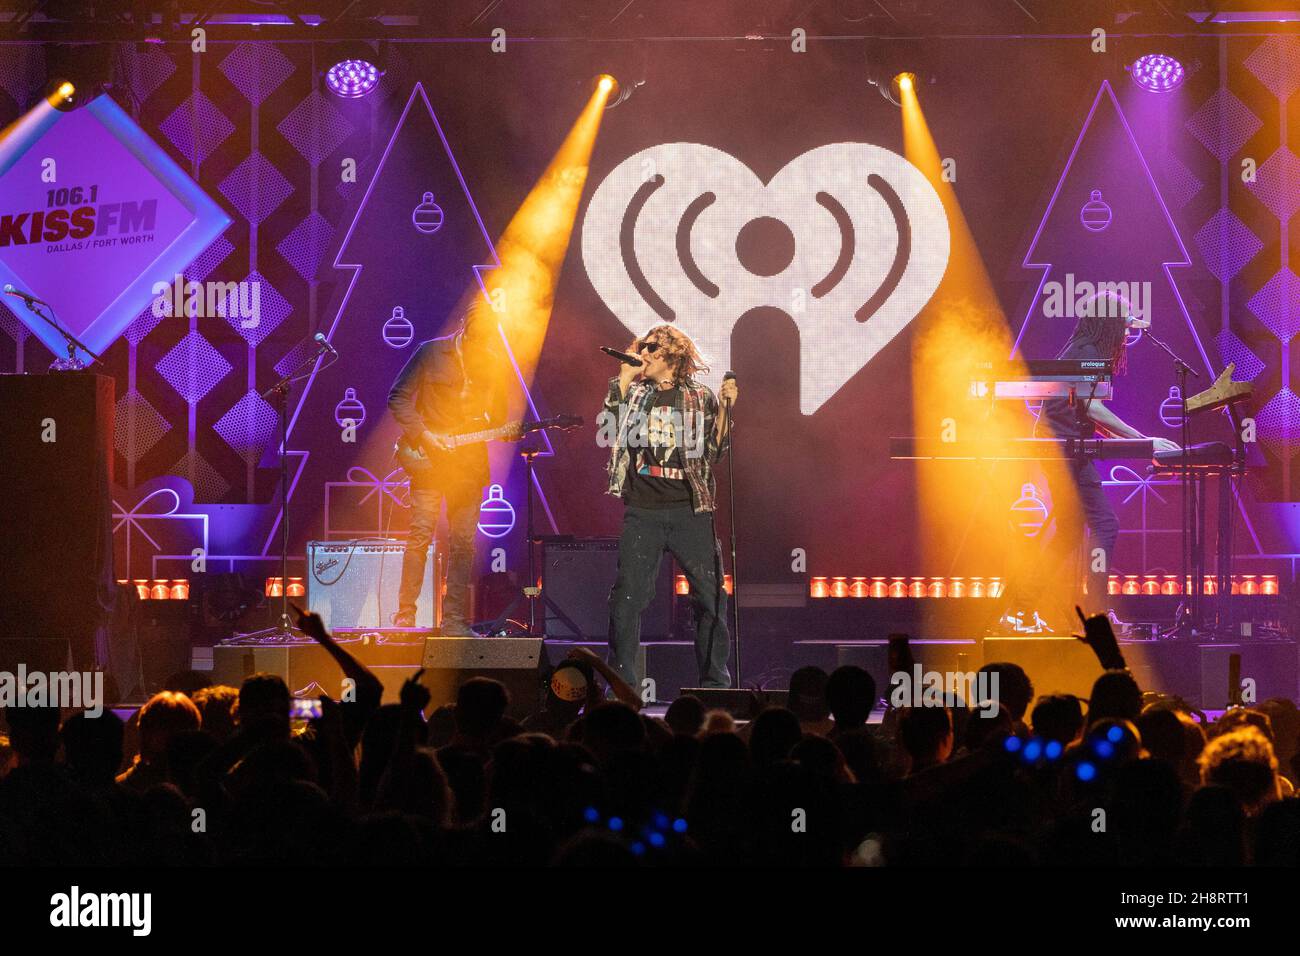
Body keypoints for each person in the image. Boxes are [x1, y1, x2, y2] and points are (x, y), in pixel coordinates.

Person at [601, 325, 737, 690]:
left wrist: (726, 410)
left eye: (651, 349)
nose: (642, 354)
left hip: (690, 509)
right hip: (643, 510)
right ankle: (623, 687)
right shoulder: (636, 392)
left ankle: (714, 686)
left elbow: (715, 453)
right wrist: (622, 381)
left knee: (710, 599)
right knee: (627, 598)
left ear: (671, 357)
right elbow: (609, 432)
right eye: (642, 348)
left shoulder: (699, 396)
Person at [1034, 308, 1178, 618]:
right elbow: (1093, 409)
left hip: (1064, 447)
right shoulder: (1087, 352)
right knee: (1105, 523)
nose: (1128, 334)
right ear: (1108, 323)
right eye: (1124, 327)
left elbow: (1086, 411)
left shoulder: (1085, 349)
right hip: (1063, 448)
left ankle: (1017, 605)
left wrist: (1139, 443)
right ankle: (1097, 609)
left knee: (1069, 532)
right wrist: (1145, 442)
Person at [388, 307, 515, 633]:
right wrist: (425, 435)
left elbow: (499, 418)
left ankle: (454, 621)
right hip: (429, 459)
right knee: (420, 536)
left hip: (469, 464)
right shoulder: (431, 351)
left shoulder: (492, 362)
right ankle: (406, 615)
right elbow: (398, 396)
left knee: (463, 543)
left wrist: (505, 427)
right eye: (476, 336)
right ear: (464, 327)